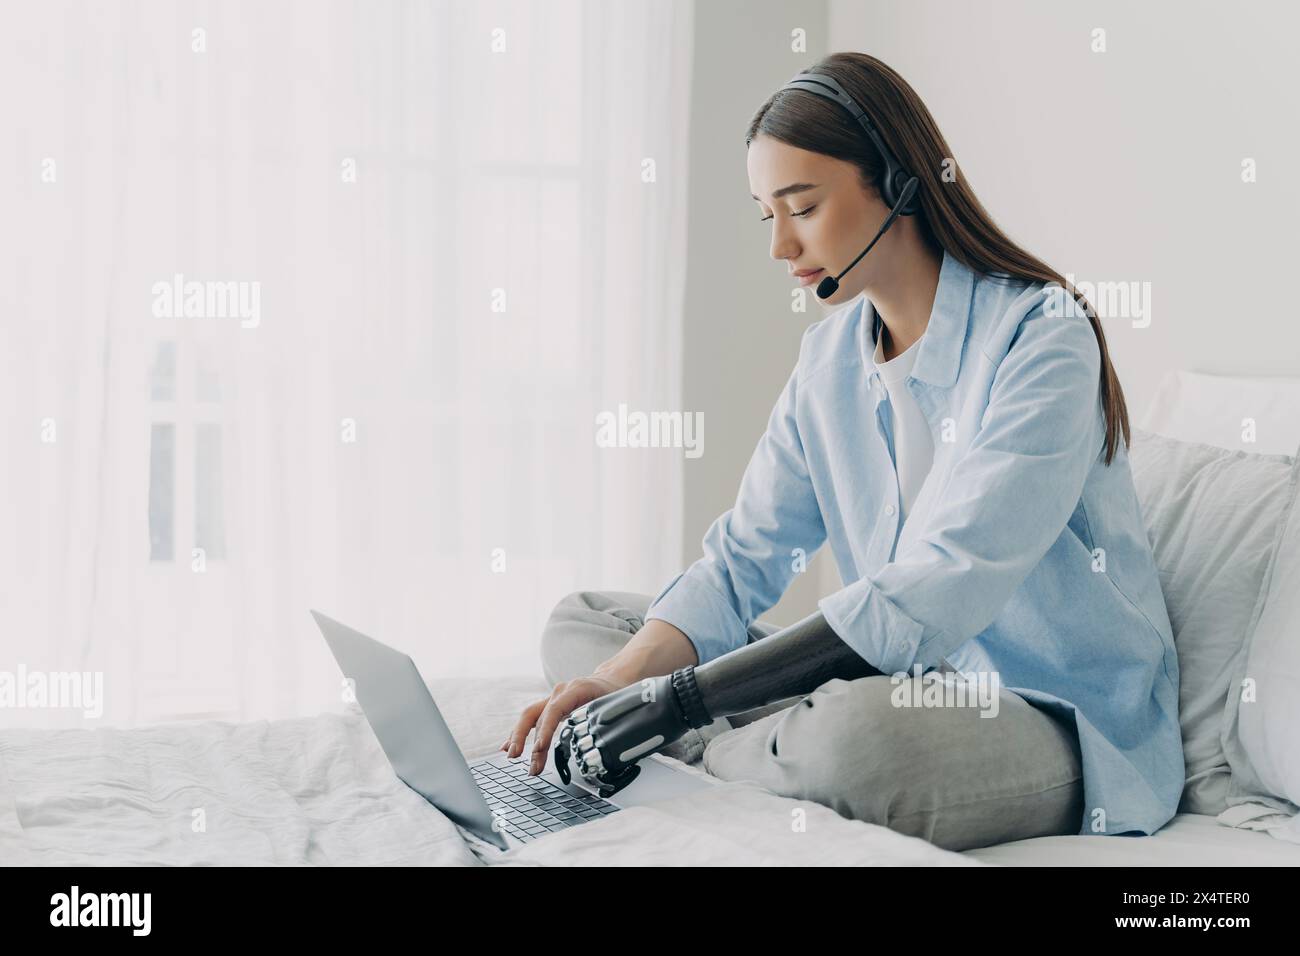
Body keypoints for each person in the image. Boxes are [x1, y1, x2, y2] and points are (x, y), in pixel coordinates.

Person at [505, 51, 1184, 852]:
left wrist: (679, 702)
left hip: (1048, 718)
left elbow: (945, 582)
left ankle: (705, 753)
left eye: (802, 206)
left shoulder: (1043, 337)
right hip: (894, 681)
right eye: (768, 214)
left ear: (899, 183)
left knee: (852, 742)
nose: (779, 246)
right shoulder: (828, 362)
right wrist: (624, 683)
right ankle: (732, 751)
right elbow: (739, 565)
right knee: (585, 627)